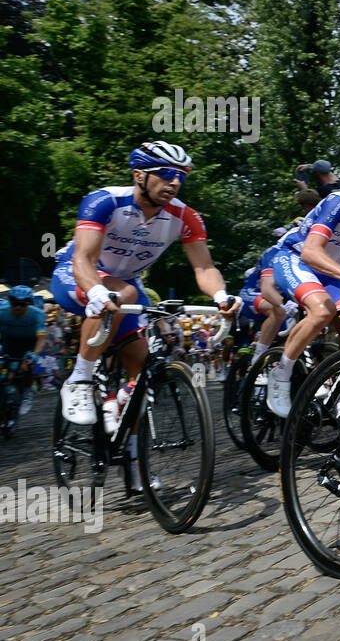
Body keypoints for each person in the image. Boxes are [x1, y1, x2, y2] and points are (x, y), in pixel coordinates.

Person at [51, 141, 239, 488]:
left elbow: (204, 267)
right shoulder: (105, 200)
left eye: (181, 176)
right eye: (166, 174)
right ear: (140, 175)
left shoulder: (185, 217)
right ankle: (78, 380)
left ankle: (134, 459)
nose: (175, 183)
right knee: (119, 292)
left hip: (127, 285)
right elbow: (83, 260)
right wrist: (94, 290)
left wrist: (222, 295)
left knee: (140, 366)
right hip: (77, 273)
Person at [266, 162, 340, 417]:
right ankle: (280, 375)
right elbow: (311, 252)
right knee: (321, 311)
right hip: (296, 257)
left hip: (328, 270)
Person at [0, 286, 46, 421]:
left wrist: (34, 356)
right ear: (10, 301)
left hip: (30, 344)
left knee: (27, 367)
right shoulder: (2, 312)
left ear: (28, 304)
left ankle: (27, 391)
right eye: (15, 303)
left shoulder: (38, 314)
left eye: (23, 304)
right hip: (9, 342)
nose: (18, 307)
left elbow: (41, 339)